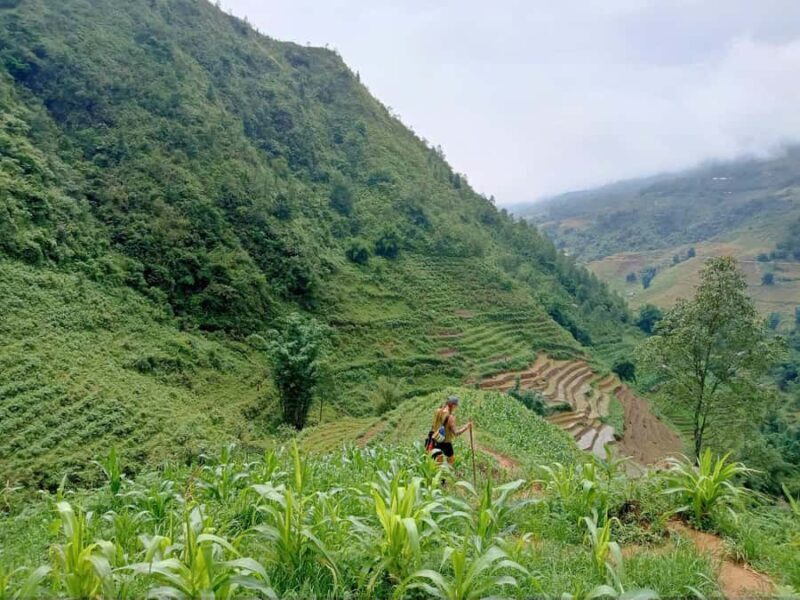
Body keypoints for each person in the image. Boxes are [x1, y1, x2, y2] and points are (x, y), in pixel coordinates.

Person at [427, 395, 472, 466]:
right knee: (451, 461)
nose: (456, 407)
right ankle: (449, 474)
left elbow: (436, 425)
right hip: (445, 442)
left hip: (435, 439)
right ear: (453, 405)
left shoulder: (437, 411)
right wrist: (466, 427)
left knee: (437, 463)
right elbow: (456, 433)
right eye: (456, 405)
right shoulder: (450, 417)